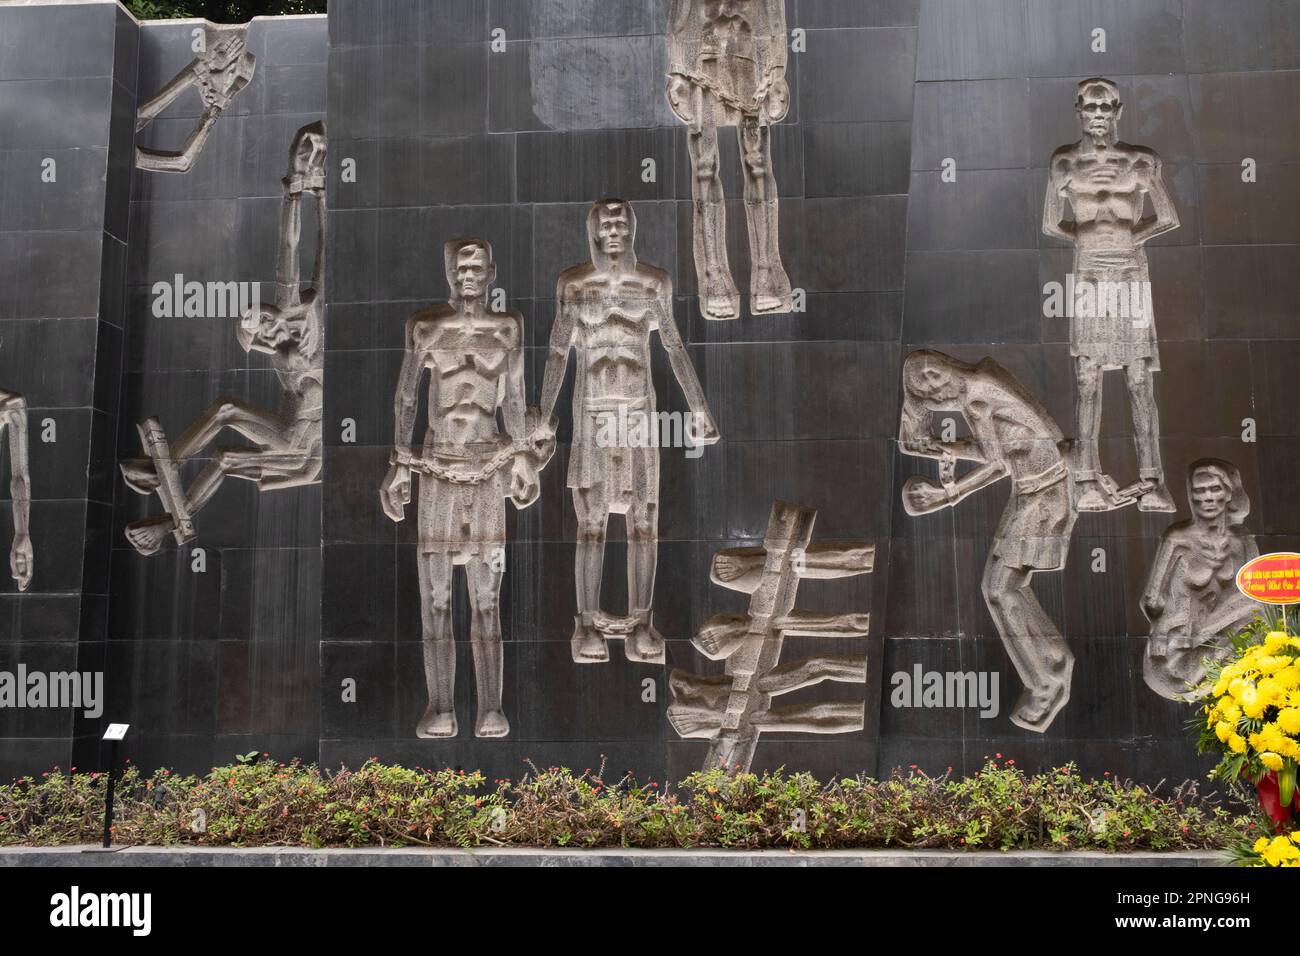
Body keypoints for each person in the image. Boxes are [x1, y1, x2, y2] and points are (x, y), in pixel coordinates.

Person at [380, 238, 550, 738]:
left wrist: (522, 458)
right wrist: (397, 465)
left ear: (492, 271)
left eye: (477, 265)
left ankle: (493, 708)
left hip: (486, 462)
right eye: (460, 266)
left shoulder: (508, 329)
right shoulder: (427, 327)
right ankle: (441, 707)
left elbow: (515, 401)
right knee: (435, 597)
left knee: (486, 598)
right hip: (437, 467)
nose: (468, 273)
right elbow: (407, 398)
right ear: (449, 272)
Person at [539, 199, 719, 664]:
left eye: (621, 221)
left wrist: (698, 406)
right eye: (605, 222)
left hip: (637, 415)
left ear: (633, 227)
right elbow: (559, 352)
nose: (614, 228)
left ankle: (642, 622)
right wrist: (542, 415)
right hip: (593, 414)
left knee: (643, 521)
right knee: (592, 522)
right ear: (593, 231)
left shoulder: (652, 283)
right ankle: (585, 624)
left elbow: (675, 346)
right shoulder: (575, 286)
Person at [899, 350, 1077, 732]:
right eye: (923, 384)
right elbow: (997, 448)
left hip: (1044, 493)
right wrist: (950, 449)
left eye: (933, 372)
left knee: (999, 589)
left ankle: (1046, 682)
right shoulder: (981, 382)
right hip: (1035, 491)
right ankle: (1053, 660)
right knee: (1003, 588)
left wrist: (945, 496)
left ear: (945, 365)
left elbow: (997, 465)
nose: (933, 383)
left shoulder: (977, 394)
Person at [1043, 77, 1180, 512]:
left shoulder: (1140, 161)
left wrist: (1125, 240)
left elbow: (1167, 217)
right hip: (1089, 273)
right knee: (1088, 376)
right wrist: (1088, 241)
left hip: (1129, 271)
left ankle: (1153, 480)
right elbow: (1051, 224)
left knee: (1138, 378)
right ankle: (1085, 478)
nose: (1099, 115)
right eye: (1091, 107)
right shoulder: (1064, 163)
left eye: (1106, 107)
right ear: (1079, 110)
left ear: (1118, 110)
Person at [1141, 459, 1259, 699]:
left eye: (1214, 489)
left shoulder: (1243, 539)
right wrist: (1174, 622)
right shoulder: (1177, 538)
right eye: (1199, 490)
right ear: (1190, 495)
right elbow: (1152, 600)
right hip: (1181, 644)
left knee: (1257, 620)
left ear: (1228, 493)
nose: (1206, 497)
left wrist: (1218, 614)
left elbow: (1256, 597)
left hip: (1229, 632)